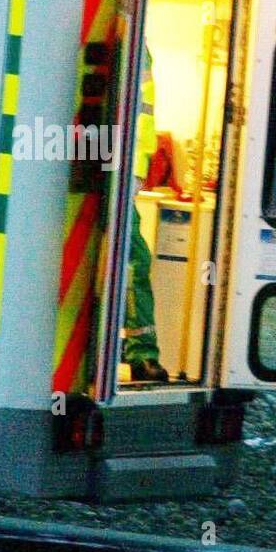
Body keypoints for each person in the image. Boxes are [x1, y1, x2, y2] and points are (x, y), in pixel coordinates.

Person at [124, 56, 168, 382]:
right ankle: (141, 353)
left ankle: (141, 353)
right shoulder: (139, 47)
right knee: (134, 262)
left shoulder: (142, 49)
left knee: (133, 262)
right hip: (118, 173)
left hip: (122, 174)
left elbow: (141, 118)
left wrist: (138, 170)